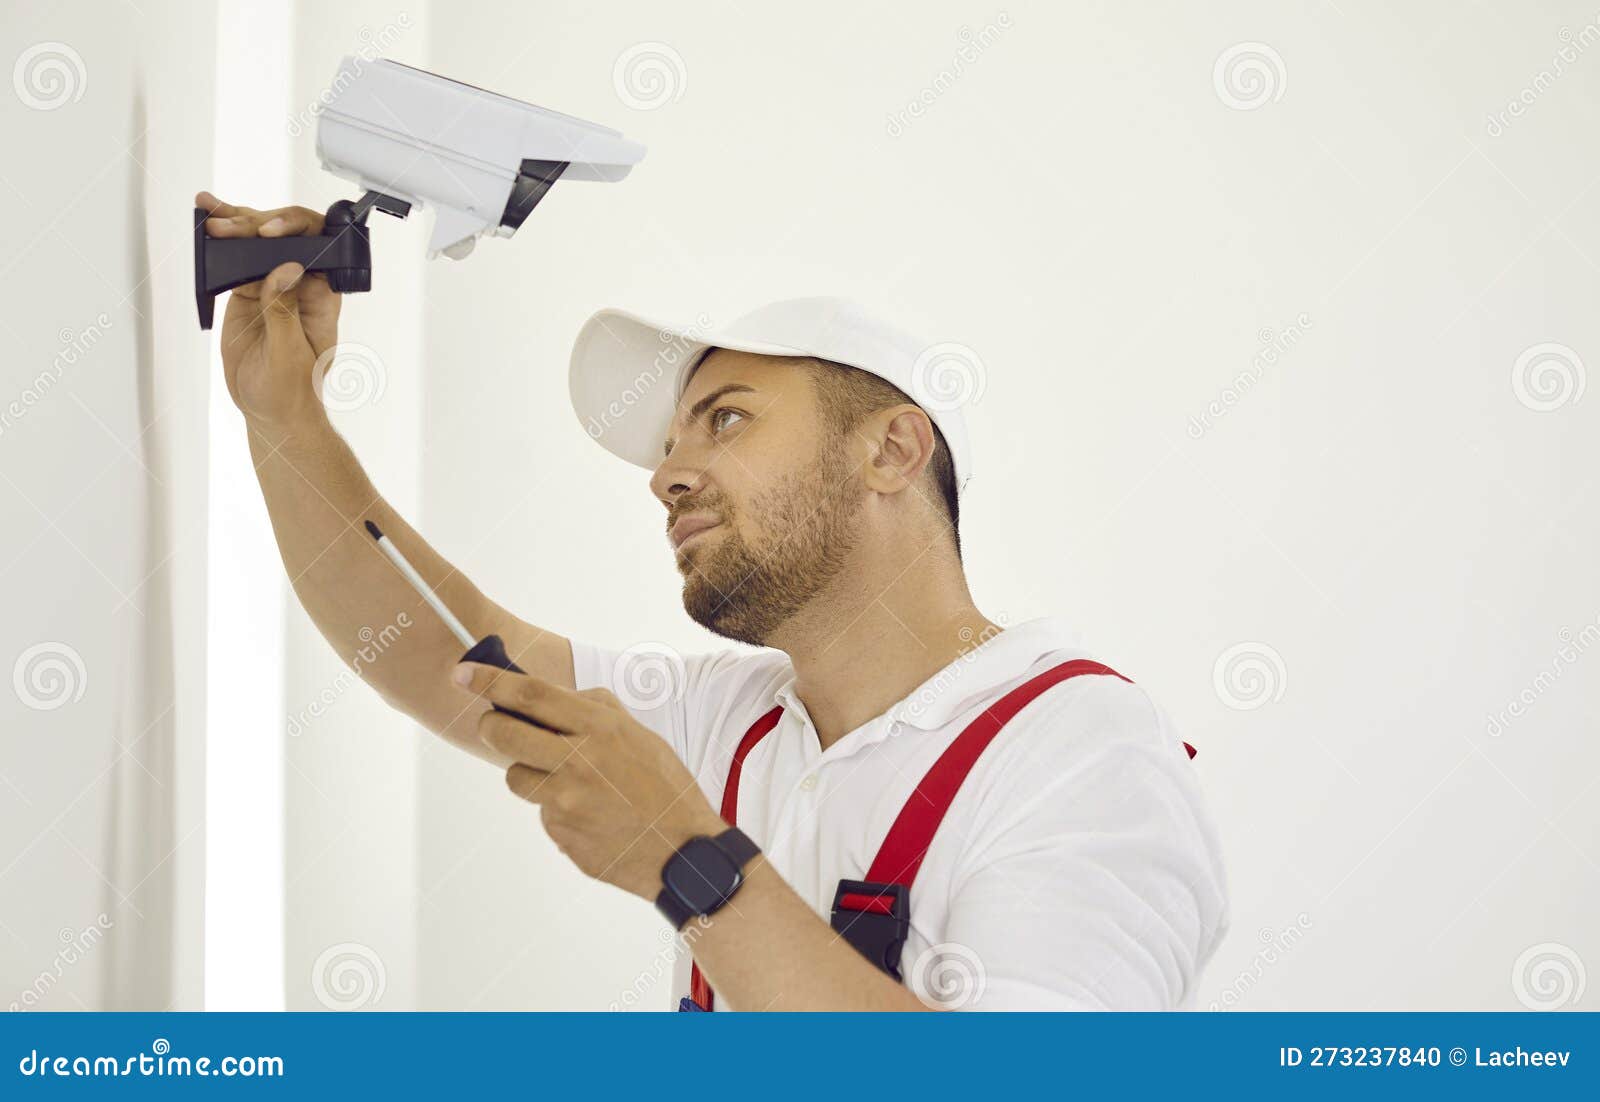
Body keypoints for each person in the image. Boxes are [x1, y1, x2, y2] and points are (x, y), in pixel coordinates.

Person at [196, 190, 1229, 1011]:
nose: (667, 475)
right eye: (669, 445)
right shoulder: (733, 723)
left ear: (891, 449)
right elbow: (441, 656)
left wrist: (694, 862)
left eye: (723, 420)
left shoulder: (1083, 754)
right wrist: (284, 412)